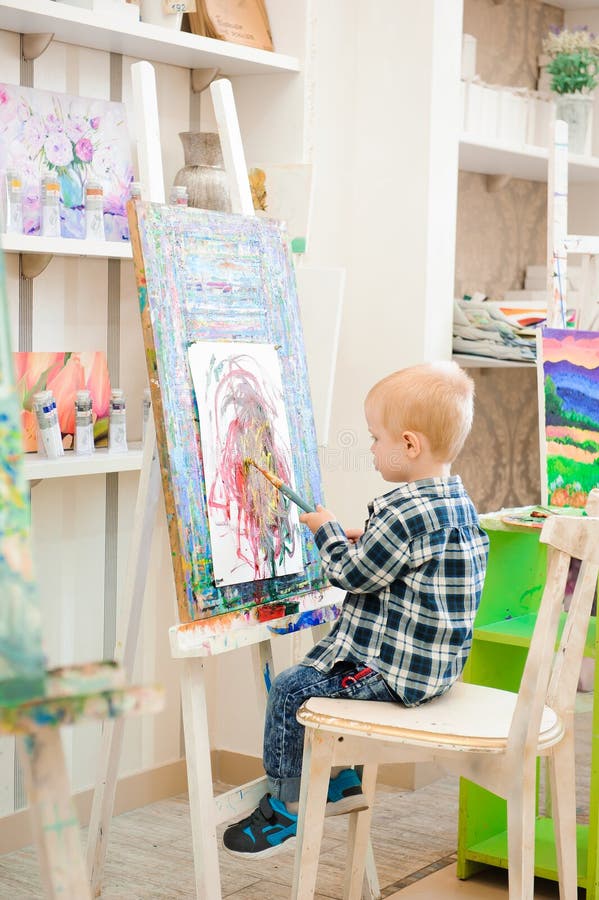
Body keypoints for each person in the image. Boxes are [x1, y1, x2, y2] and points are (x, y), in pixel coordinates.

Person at [223, 361, 489, 858]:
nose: (370, 448)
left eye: (374, 438)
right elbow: (410, 566)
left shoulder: (402, 511)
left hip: (393, 674)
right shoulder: (458, 505)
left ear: (409, 445)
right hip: (436, 670)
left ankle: (285, 809)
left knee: (289, 690)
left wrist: (324, 529)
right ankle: (339, 780)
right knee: (311, 683)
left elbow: (348, 574)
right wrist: (366, 540)